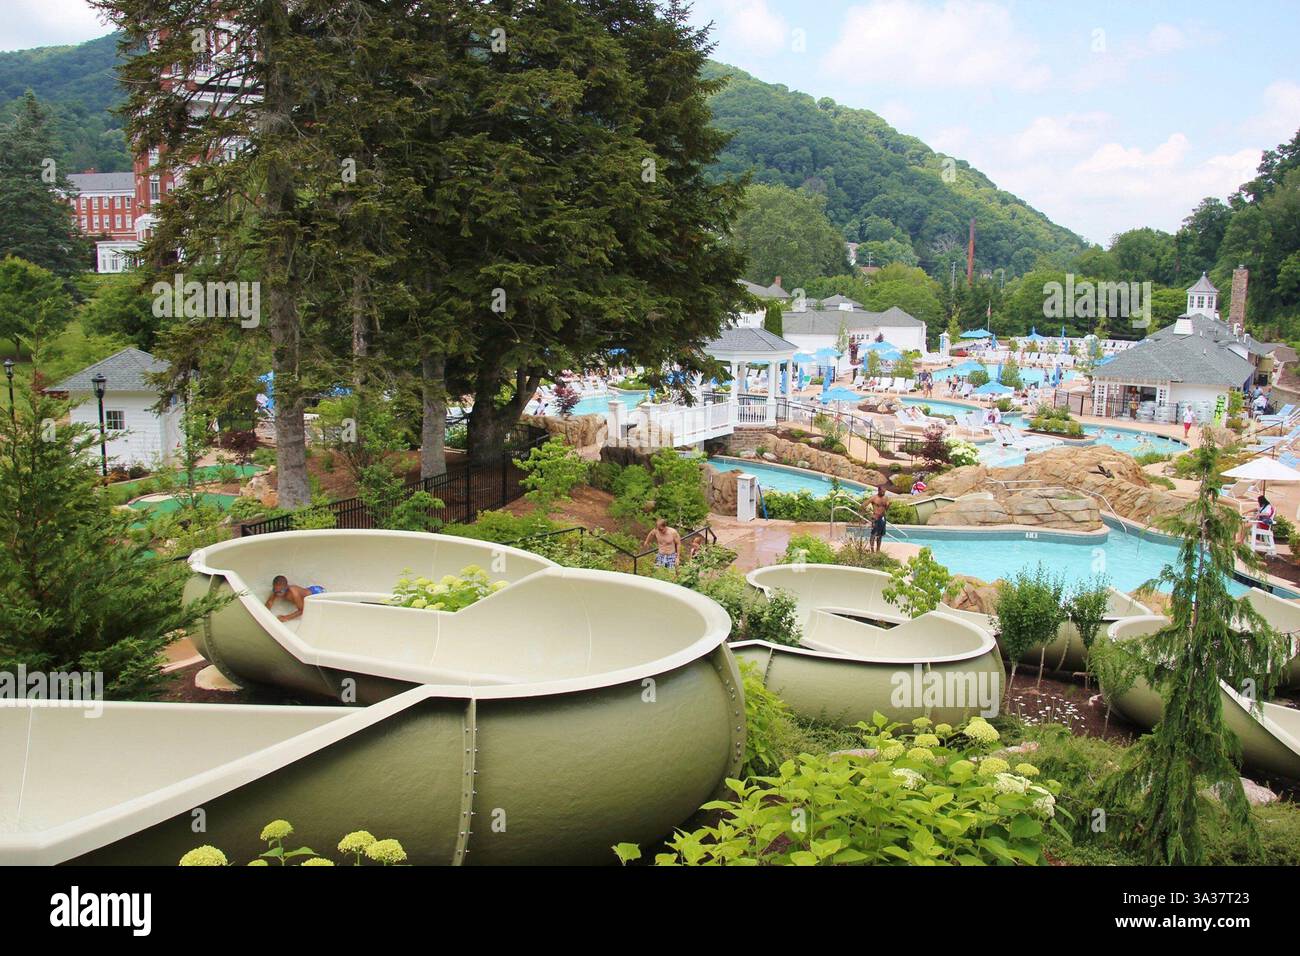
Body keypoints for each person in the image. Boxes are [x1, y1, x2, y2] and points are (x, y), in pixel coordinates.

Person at [868, 486, 889, 552]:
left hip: (882, 518)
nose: (883, 493)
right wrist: (870, 514)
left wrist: (888, 506)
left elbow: (885, 509)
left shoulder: (886, 498)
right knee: (873, 534)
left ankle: (878, 550)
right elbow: (863, 505)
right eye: (882, 491)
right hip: (876, 518)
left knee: (880, 535)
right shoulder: (874, 498)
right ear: (878, 490)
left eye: (884, 491)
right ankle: (872, 550)